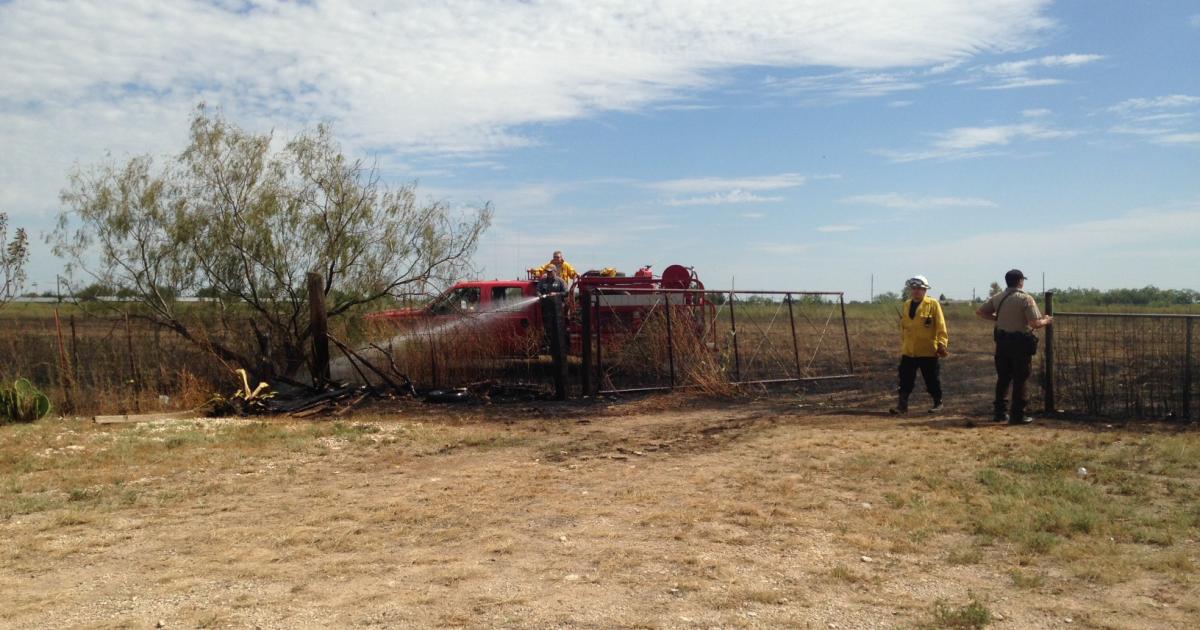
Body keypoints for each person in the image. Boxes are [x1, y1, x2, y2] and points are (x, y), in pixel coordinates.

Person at [976, 269, 1053, 425]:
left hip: (1002, 344)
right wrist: (1046, 320)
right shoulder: (1026, 299)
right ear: (1020, 281)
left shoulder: (997, 297)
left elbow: (980, 312)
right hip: (1020, 344)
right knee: (1020, 379)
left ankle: (999, 413)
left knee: (1003, 378)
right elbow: (1034, 323)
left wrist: (998, 319)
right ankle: (1018, 415)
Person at [890, 275, 949, 415]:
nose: (916, 291)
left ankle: (938, 402)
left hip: (928, 351)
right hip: (909, 351)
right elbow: (904, 326)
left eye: (920, 289)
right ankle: (902, 406)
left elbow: (941, 326)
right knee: (905, 379)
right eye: (914, 288)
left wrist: (942, 344)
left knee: (932, 379)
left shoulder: (933, 304)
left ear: (925, 290)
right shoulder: (906, 304)